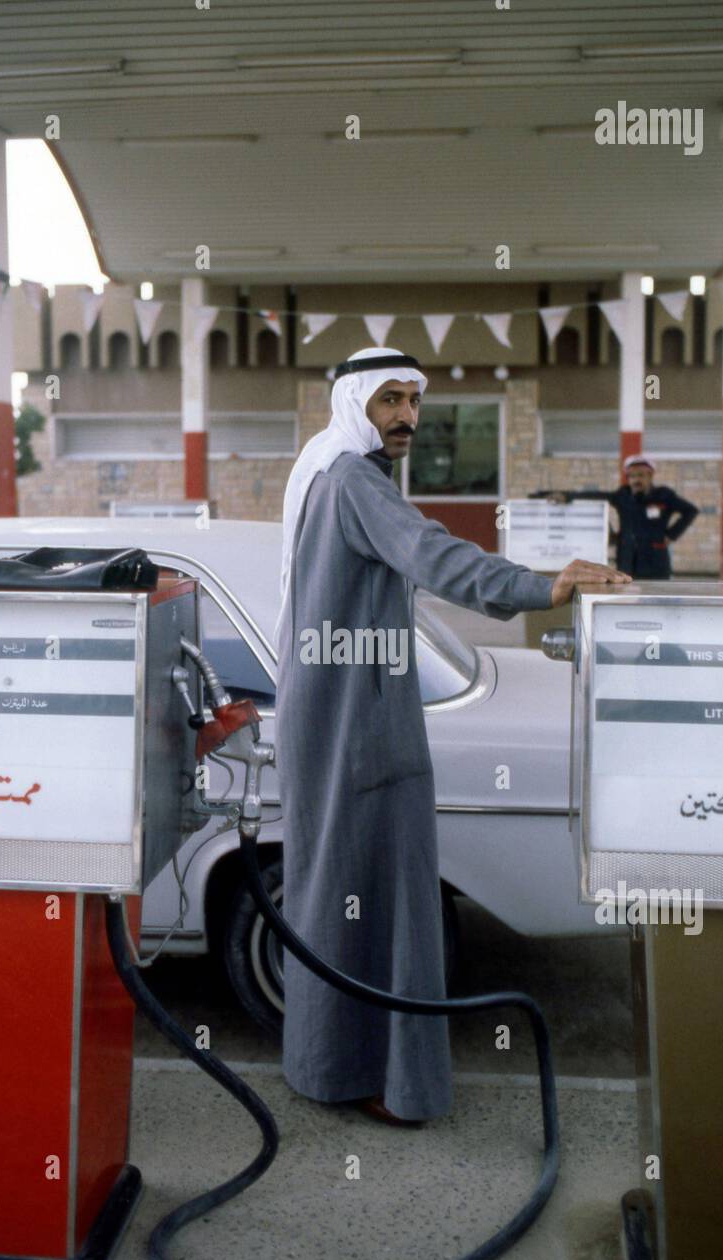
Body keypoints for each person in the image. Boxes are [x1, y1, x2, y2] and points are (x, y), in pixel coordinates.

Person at [273, 347, 630, 1125]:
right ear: (354, 405)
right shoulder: (353, 481)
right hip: (359, 728)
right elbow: (431, 553)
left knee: (340, 896)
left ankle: (332, 1067)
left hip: (334, 716)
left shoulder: (327, 472)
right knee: (376, 900)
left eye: (411, 400)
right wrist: (543, 584)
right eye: (388, 401)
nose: (404, 415)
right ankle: (384, 1082)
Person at [532, 456, 698, 579]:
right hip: (626, 561)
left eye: (641, 475)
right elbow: (596, 495)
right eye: (632, 476)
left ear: (650, 476)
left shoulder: (664, 495)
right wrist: (568, 497)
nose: (636, 480)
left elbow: (691, 511)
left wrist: (671, 535)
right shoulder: (623, 495)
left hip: (655, 561)